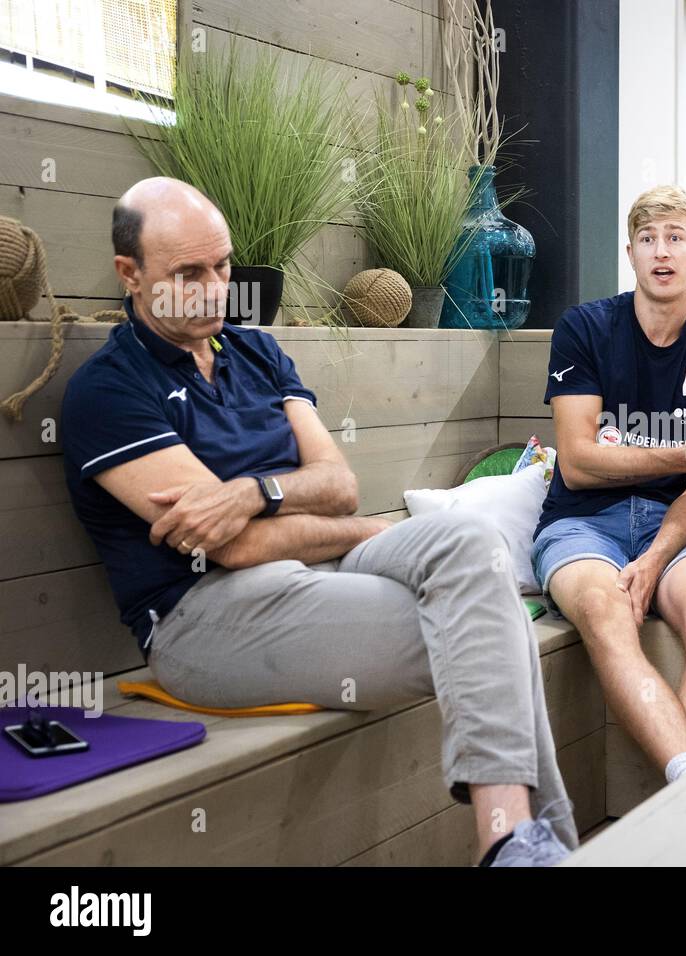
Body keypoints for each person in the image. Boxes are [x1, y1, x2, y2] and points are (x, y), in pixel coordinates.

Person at [60, 177, 574, 866]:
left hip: (324, 574)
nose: (216, 289)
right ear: (130, 274)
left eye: (222, 266)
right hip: (204, 618)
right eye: (189, 273)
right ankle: (527, 845)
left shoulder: (256, 353)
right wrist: (359, 527)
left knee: (470, 543)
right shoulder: (109, 391)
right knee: (493, 625)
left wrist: (251, 491)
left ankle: (517, 847)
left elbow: (338, 484)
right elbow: (237, 552)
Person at [532, 185, 686, 784]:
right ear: (631, 253)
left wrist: (655, 556)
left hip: (681, 530)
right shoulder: (584, 328)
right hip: (580, 523)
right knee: (604, 609)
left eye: (676, 238)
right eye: (648, 240)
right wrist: (684, 452)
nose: (661, 252)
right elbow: (576, 462)